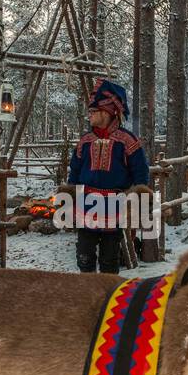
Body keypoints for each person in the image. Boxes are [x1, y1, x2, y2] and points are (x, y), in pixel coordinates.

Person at [65, 79, 151, 275]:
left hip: (114, 205)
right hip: (87, 204)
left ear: (108, 112)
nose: (90, 115)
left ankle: (107, 298)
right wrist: (70, 199)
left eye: (94, 111)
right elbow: (75, 171)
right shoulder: (85, 141)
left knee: (110, 259)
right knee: (84, 256)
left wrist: (137, 203)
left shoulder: (127, 141)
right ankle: (88, 298)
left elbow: (140, 173)